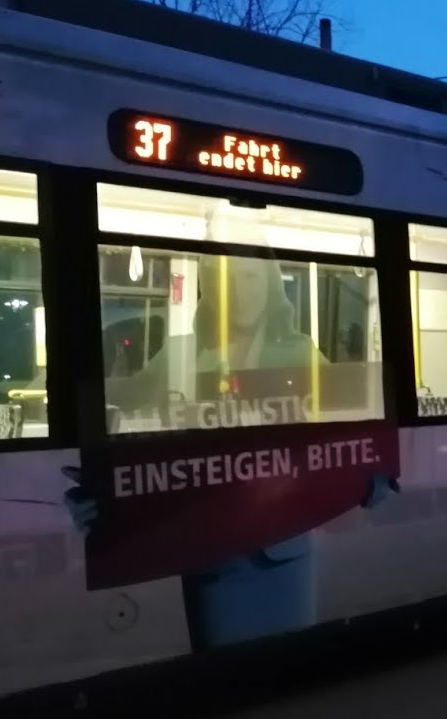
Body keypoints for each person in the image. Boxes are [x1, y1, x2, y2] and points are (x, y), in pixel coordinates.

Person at [65, 252, 398, 650]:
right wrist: (96, 491)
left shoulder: (301, 353)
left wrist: (373, 476)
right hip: (209, 553)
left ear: (272, 284)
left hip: (285, 552)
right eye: (228, 277)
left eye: (252, 276)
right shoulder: (179, 355)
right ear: (212, 286)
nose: (241, 289)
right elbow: (121, 433)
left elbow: (349, 435)